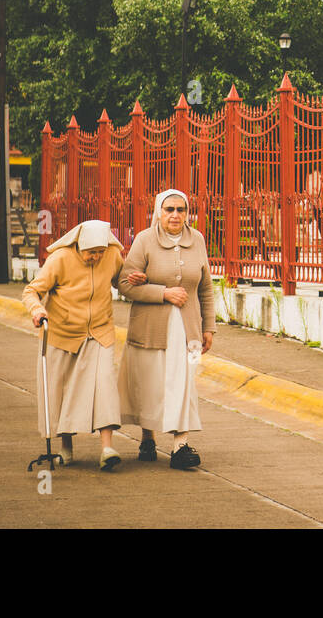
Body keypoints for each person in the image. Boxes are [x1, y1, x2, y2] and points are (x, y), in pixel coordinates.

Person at [118, 189, 215, 470]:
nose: (175, 215)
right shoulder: (144, 240)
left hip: (188, 330)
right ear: (159, 212)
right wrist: (163, 293)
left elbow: (206, 288)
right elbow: (125, 284)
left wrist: (209, 326)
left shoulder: (196, 239)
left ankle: (179, 446)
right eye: (169, 209)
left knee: (183, 385)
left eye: (181, 210)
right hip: (150, 327)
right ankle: (147, 439)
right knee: (148, 384)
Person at [21, 218, 126, 470]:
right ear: (80, 247)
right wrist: (36, 310)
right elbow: (31, 291)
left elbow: (120, 280)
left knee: (105, 386)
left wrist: (135, 280)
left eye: (100, 252)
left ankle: (107, 448)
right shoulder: (60, 259)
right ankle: (66, 446)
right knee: (61, 391)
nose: (97, 258)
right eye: (91, 253)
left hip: (100, 331)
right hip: (62, 332)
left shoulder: (112, 255)